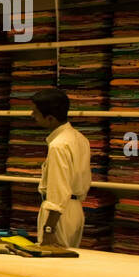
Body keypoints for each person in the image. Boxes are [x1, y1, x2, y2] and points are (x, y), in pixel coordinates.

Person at [31, 87, 91, 248]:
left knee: (53, 264)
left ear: (50, 118)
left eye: (35, 112)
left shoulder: (58, 146)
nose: (32, 116)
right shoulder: (80, 138)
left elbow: (58, 191)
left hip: (58, 216)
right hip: (75, 209)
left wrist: (49, 229)